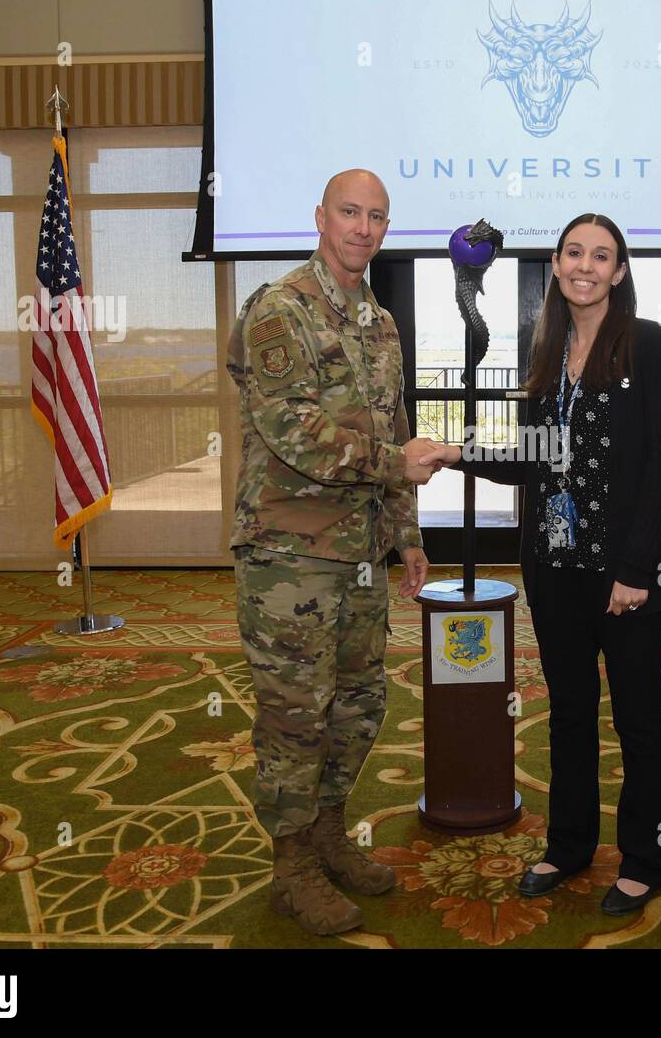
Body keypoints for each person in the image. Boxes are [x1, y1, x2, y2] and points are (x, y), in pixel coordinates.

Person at [421, 214, 661, 915]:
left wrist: (636, 570)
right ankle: (569, 846)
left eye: (602, 256)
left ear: (620, 272)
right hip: (556, 573)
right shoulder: (545, 346)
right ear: (557, 262)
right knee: (570, 715)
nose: (586, 265)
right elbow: (533, 459)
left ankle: (644, 858)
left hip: (629, 577)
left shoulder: (649, 346)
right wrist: (457, 453)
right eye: (575, 252)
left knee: (640, 718)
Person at [227, 169, 439, 935]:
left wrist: (407, 533)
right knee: (295, 716)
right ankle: (292, 870)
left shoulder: (378, 323)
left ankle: (326, 838)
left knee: (357, 704)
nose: (363, 227)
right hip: (289, 556)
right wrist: (396, 468)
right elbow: (295, 433)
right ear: (320, 216)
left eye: (377, 216)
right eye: (350, 212)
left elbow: (394, 422)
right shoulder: (279, 312)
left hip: (357, 555)